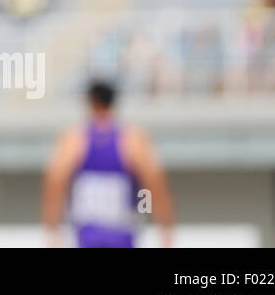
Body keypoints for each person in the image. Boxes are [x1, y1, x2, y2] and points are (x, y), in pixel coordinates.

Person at [42, 81, 175, 247]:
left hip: (88, 234)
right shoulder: (134, 139)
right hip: (122, 233)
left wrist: (53, 234)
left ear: (90, 102)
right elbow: (155, 186)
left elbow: (55, 185)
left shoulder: (73, 139)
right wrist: (166, 232)